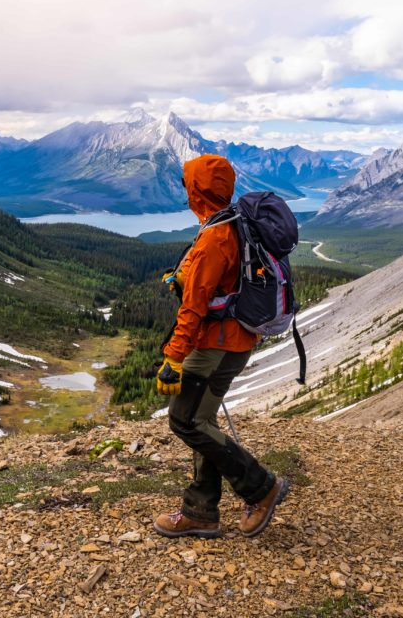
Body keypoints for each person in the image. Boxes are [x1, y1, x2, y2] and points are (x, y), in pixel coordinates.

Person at [153, 153, 288, 539]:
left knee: (185, 420)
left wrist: (173, 357)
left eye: (188, 186)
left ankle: (260, 487)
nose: (186, 193)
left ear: (198, 191)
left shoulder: (215, 236)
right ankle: (200, 511)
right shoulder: (231, 223)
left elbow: (194, 308)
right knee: (202, 420)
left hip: (217, 346)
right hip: (234, 341)